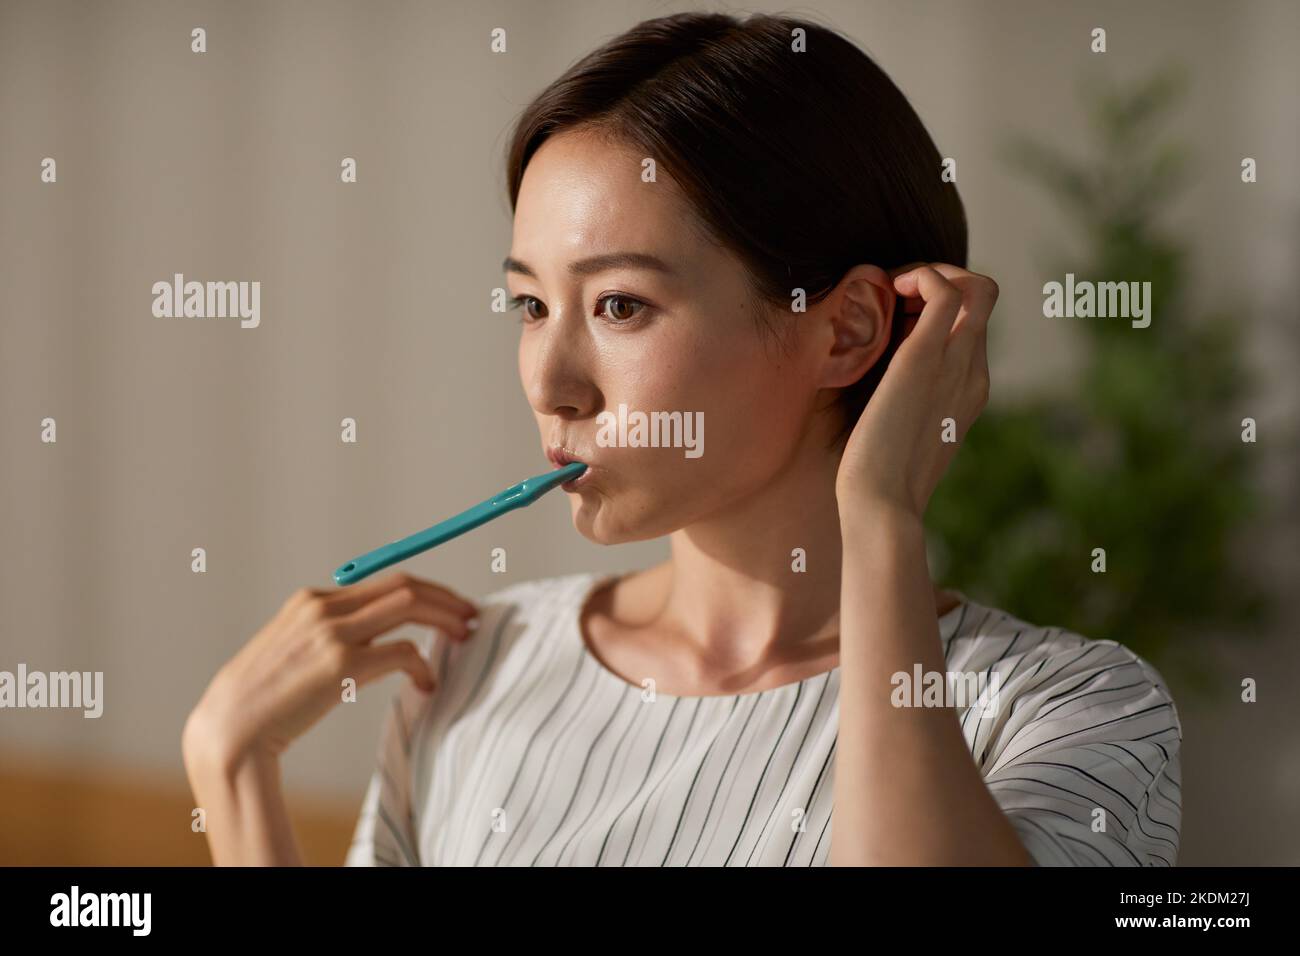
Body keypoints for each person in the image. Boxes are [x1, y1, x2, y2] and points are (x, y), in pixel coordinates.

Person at [183, 11, 1181, 867]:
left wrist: (880, 515)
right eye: (530, 304)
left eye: (620, 304)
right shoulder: (473, 668)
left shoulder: (1074, 710)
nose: (548, 379)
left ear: (847, 329)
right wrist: (235, 775)